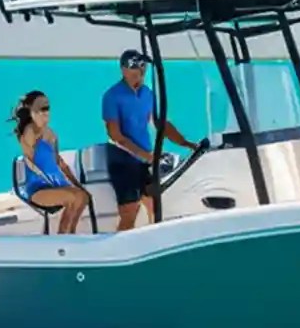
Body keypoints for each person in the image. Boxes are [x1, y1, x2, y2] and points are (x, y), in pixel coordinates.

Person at [101, 49, 199, 230]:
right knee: (130, 211)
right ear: (123, 69)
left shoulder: (148, 94)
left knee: (155, 204)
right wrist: (144, 155)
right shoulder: (112, 96)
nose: (140, 69)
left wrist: (186, 143)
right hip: (122, 160)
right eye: (134, 65)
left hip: (145, 159)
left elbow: (160, 123)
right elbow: (115, 135)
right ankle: (121, 250)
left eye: (142, 65)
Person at [10, 90, 90, 234]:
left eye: (47, 108)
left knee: (82, 197)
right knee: (73, 198)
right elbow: (28, 142)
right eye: (41, 108)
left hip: (55, 186)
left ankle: (71, 233)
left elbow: (59, 162)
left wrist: (78, 185)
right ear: (31, 111)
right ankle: (62, 237)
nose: (46, 112)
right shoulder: (29, 132)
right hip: (38, 190)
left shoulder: (51, 134)